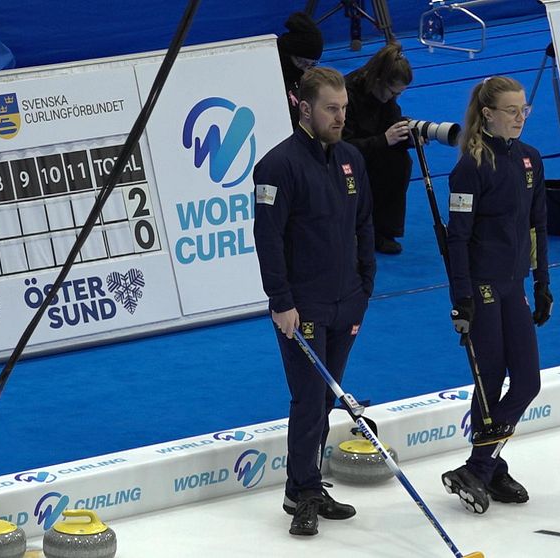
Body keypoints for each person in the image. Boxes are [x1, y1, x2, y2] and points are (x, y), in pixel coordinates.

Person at [252, 66, 376, 537]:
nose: (341, 116)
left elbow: (365, 224)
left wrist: (366, 286)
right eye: (331, 108)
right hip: (301, 308)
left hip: (347, 303)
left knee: (326, 398)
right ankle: (300, 492)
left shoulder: (350, 159)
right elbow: (268, 238)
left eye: (344, 108)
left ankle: (311, 483)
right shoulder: (277, 166)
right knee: (308, 399)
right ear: (303, 108)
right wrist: (280, 301)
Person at [440, 76, 553, 514]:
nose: (520, 117)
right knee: (489, 382)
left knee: (527, 381)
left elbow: (537, 225)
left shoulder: (530, 160)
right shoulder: (470, 168)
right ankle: (488, 464)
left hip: (515, 286)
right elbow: (457, 238)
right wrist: (461, 297)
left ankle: (481, 465)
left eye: (524, 109)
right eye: (511, 110)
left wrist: (542, 281)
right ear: (488, 114)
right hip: (483, 289)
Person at [342, 42, 414, 255]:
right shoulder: (348, 94)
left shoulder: (385, 95)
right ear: (379, 81)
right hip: (348, 153)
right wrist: (383, 140)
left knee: (400, 160)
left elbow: (391, 125)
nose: (394, 98)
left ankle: (384, 231)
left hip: (371, 148)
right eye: (393, 93)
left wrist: (408, 136)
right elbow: (342, 146)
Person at [277, 11, 324, 130]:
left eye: (312, 65)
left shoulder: (303, 77)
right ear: (291, 55)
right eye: (304, 64)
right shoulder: (276, 77)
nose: (307, 70)